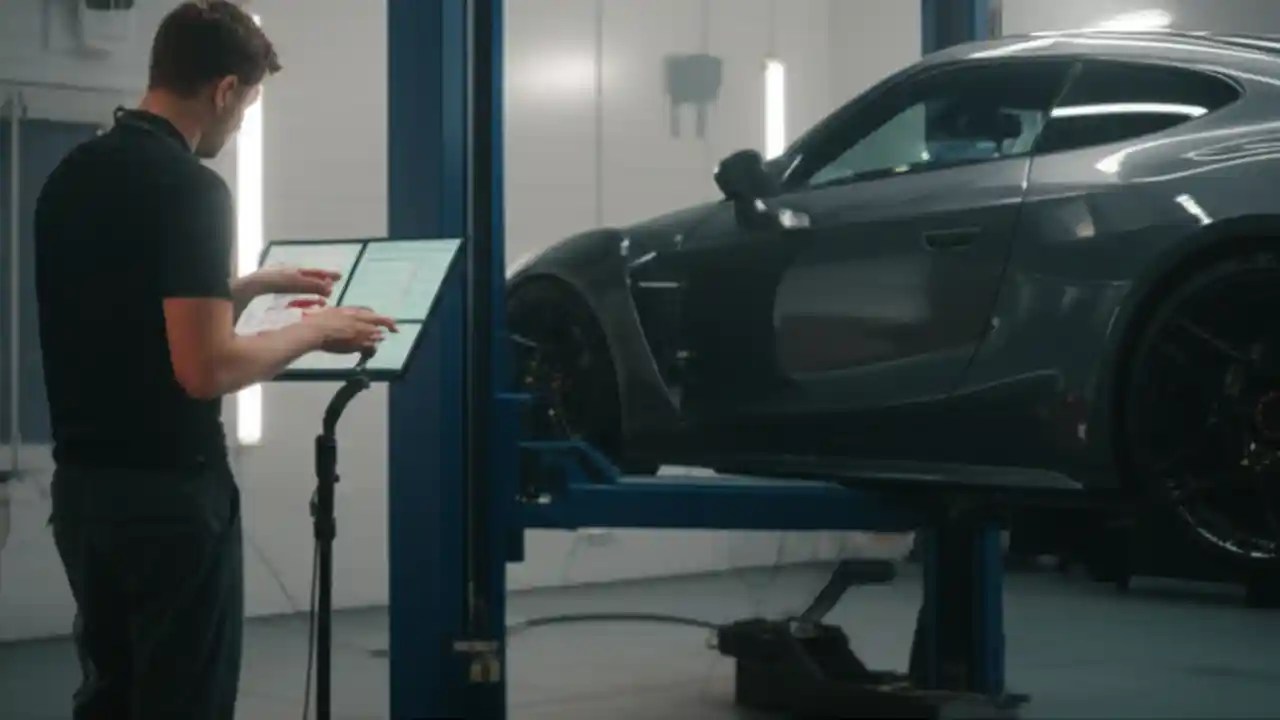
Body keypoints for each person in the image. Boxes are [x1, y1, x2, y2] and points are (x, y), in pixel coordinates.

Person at [32, 2, 397, 718]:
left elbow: (126, 308)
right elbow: (206, 369)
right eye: (247, 105)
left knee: (110, 695)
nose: (238, 127)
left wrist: (248, 287)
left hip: (84, 497)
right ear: (225, 90)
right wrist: (316, 329)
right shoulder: (191, 188)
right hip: (170, 505)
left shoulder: (74, 172)